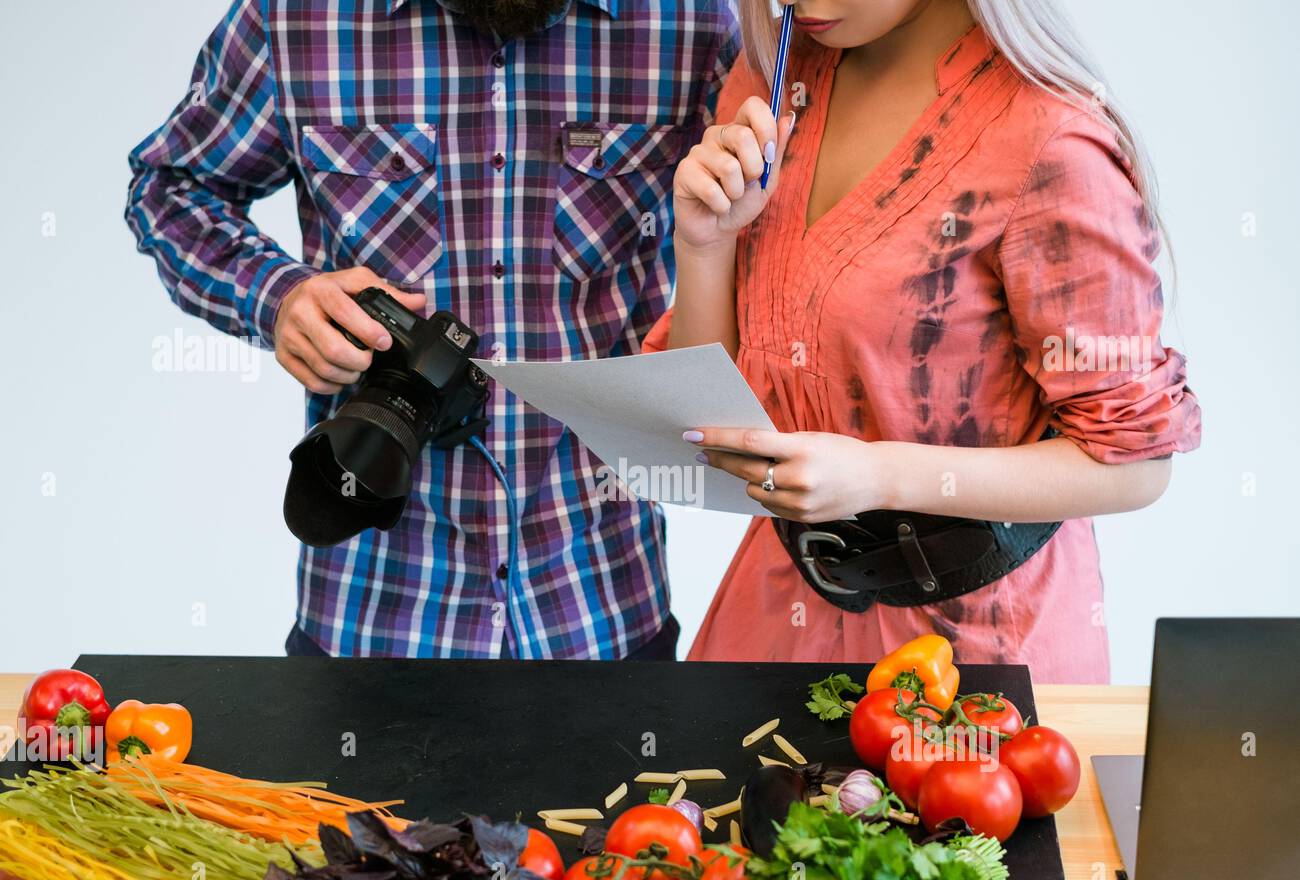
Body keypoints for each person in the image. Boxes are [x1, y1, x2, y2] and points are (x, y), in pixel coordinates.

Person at [125, 0, 740, 660]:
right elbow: (171, 188)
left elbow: (774, 245)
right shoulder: (293, 18)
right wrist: (277, 299)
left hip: (601, 605)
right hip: (374, 612)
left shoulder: (692, 24)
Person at [646, 0, 1201, 682]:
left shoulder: (1051, 140)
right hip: (772, 617)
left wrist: (878, 475)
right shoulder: (772, 82)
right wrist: (705, 244)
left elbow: (1136, 465)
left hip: (973, 659)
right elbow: (715, 417)